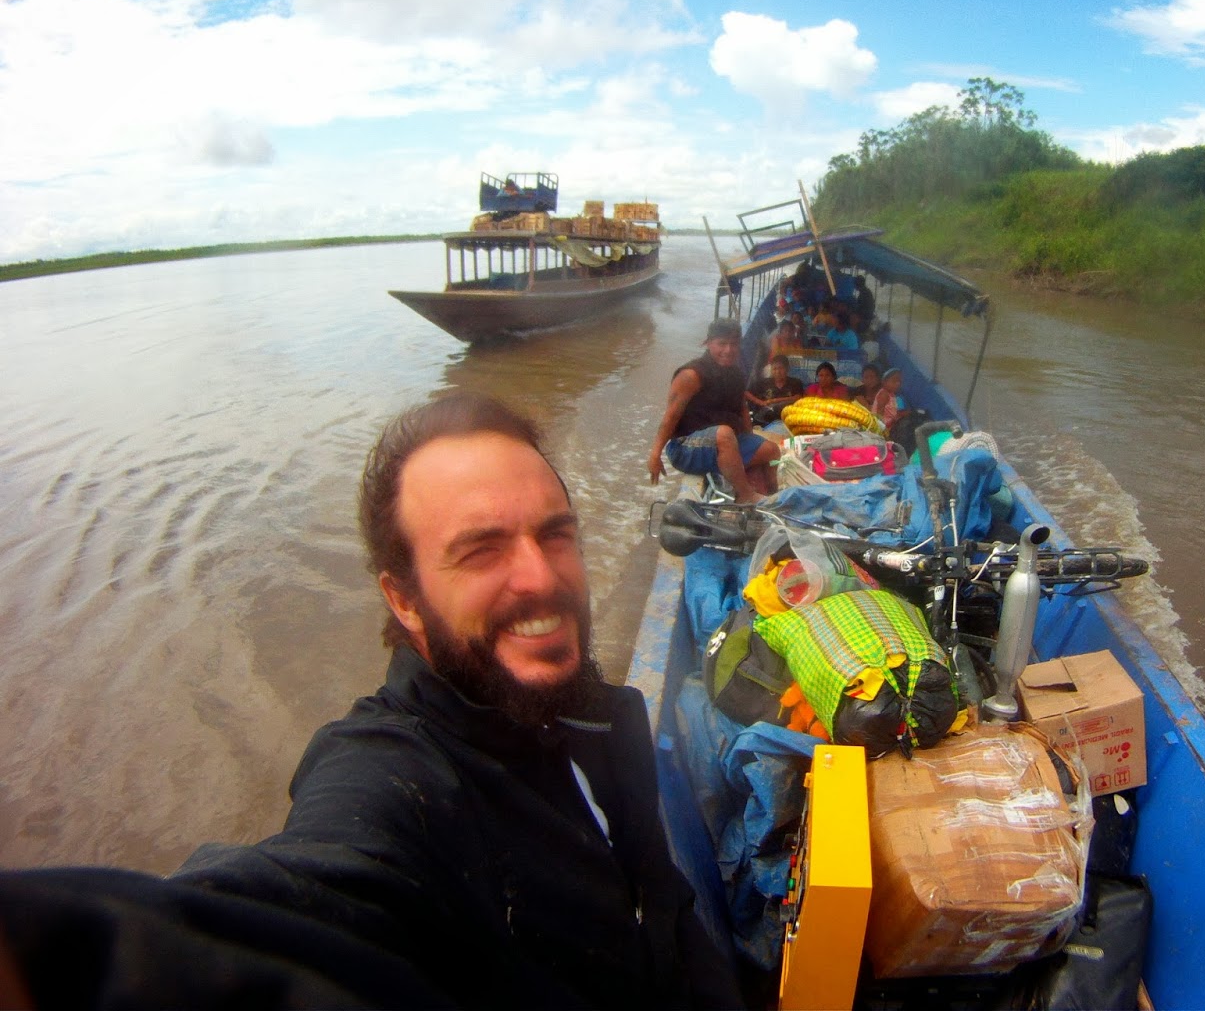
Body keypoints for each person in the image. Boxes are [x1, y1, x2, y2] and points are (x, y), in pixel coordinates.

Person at [0, 394, 743, 1010]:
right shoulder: (397, 783)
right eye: (481, 550)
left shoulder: (589, 713)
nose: (540, 578)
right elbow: (285, 914)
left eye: (556, 534)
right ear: (404, 599)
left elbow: (664, 902)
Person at [649, 319, 781, 502]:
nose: (728, 350)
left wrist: (751, 439)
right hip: (686, 446)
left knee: (771, 450)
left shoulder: (735, 373)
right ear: (708, 343)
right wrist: (655, 454)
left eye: (733, 344)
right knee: (725, 433)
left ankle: (773, 496)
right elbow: (670, 417)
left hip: (723, 443)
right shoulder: (691, 375)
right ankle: (746, 495)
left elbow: (742, 409)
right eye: (722, 344)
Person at [747, 354, 804, 426]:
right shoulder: (763, 383)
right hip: (765, 421)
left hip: (788, 421)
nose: (777, 372)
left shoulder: (795, 382)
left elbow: (797, 398)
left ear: (787, 368)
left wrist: (773, 401)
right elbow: (746, 393)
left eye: (780, 368)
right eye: (774, 369)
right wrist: (759, 402)